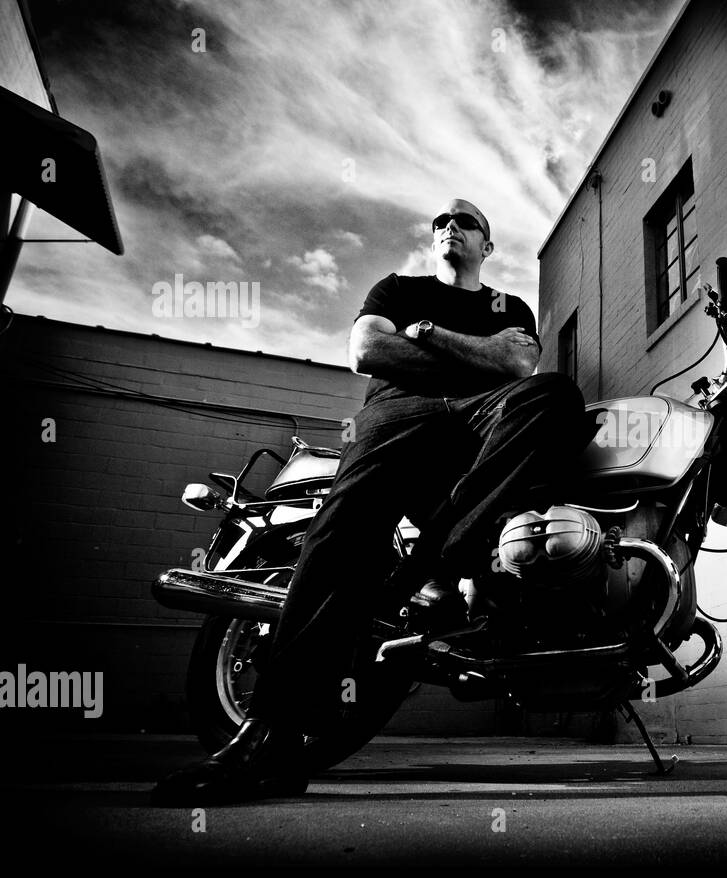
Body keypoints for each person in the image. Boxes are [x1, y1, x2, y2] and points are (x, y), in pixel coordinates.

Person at [152, 198, 589, 806]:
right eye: (440, 221)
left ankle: (449, 549)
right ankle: (270, 739)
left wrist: (427, 335)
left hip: (481, 418)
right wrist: (473, 355)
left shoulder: (507, 306)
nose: (447, 227)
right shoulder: (397, 287)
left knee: (555, 397)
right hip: (394, 415)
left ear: (487, 246)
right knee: (341, 538)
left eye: (463, 222)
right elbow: (366, 353)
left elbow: (518, 364)